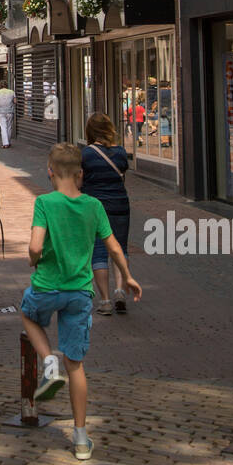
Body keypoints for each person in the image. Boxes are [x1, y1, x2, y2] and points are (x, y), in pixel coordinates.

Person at [22, 143, 141, 460]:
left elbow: (35, 245)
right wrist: (127, 276)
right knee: (77, 365)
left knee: (29, 316)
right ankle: (80, 438)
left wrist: (34, 258)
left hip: (47, 285)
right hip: (79, 292)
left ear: (50, 172)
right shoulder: (93, 206)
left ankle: (48, 362)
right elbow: (114, 248)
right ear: (81, 174)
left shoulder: (45, 203)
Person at [80, 113, 131, 316]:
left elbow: (80, 180)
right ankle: (119, 290)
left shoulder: (86, 154)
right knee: (120, 248)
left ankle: (106, 300)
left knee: (99, 252)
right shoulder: (120, 153)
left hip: (96, 208)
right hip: (120, 205)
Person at [0, 81, 16, 148]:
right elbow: (15, 101)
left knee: (3, 128)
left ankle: (5, 143)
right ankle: (8, 142)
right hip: (10, 112)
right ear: (6, 85)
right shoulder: (12, 92)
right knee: (9, 127)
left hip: (1, 112)